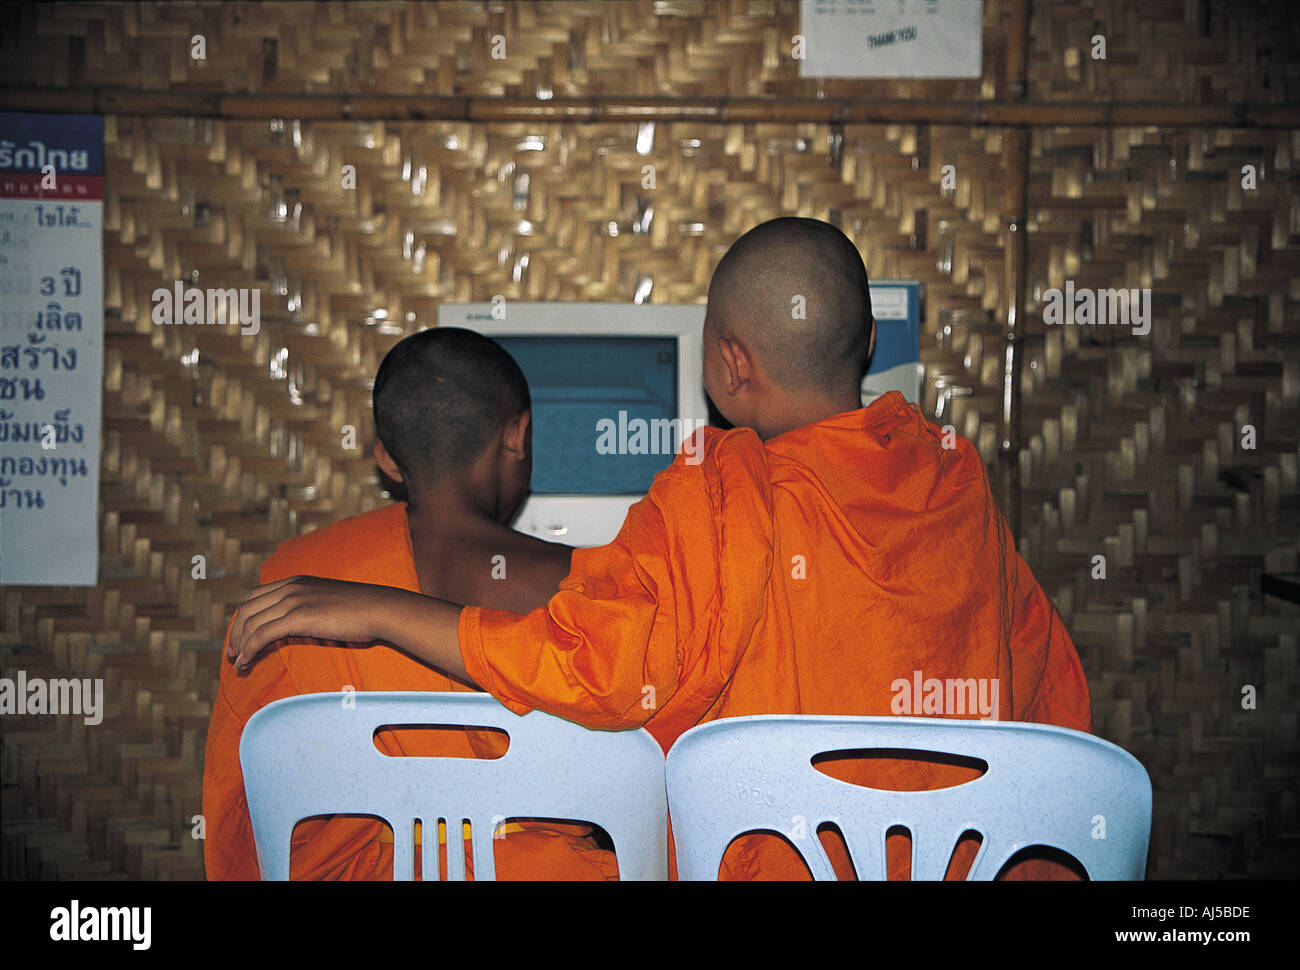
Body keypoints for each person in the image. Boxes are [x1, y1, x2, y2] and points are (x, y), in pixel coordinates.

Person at [226, 217, 1093, 880]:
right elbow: (1050, 704)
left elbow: (592, 668)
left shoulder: (715, 496)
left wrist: (377, 610)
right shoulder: (958, 483)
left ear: (728, 365)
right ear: (867, 344)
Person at [203, 327, 618, 880]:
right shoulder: (581, 583)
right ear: (517, 435)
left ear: (387, 460)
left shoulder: (297, 582)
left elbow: (247, 805)